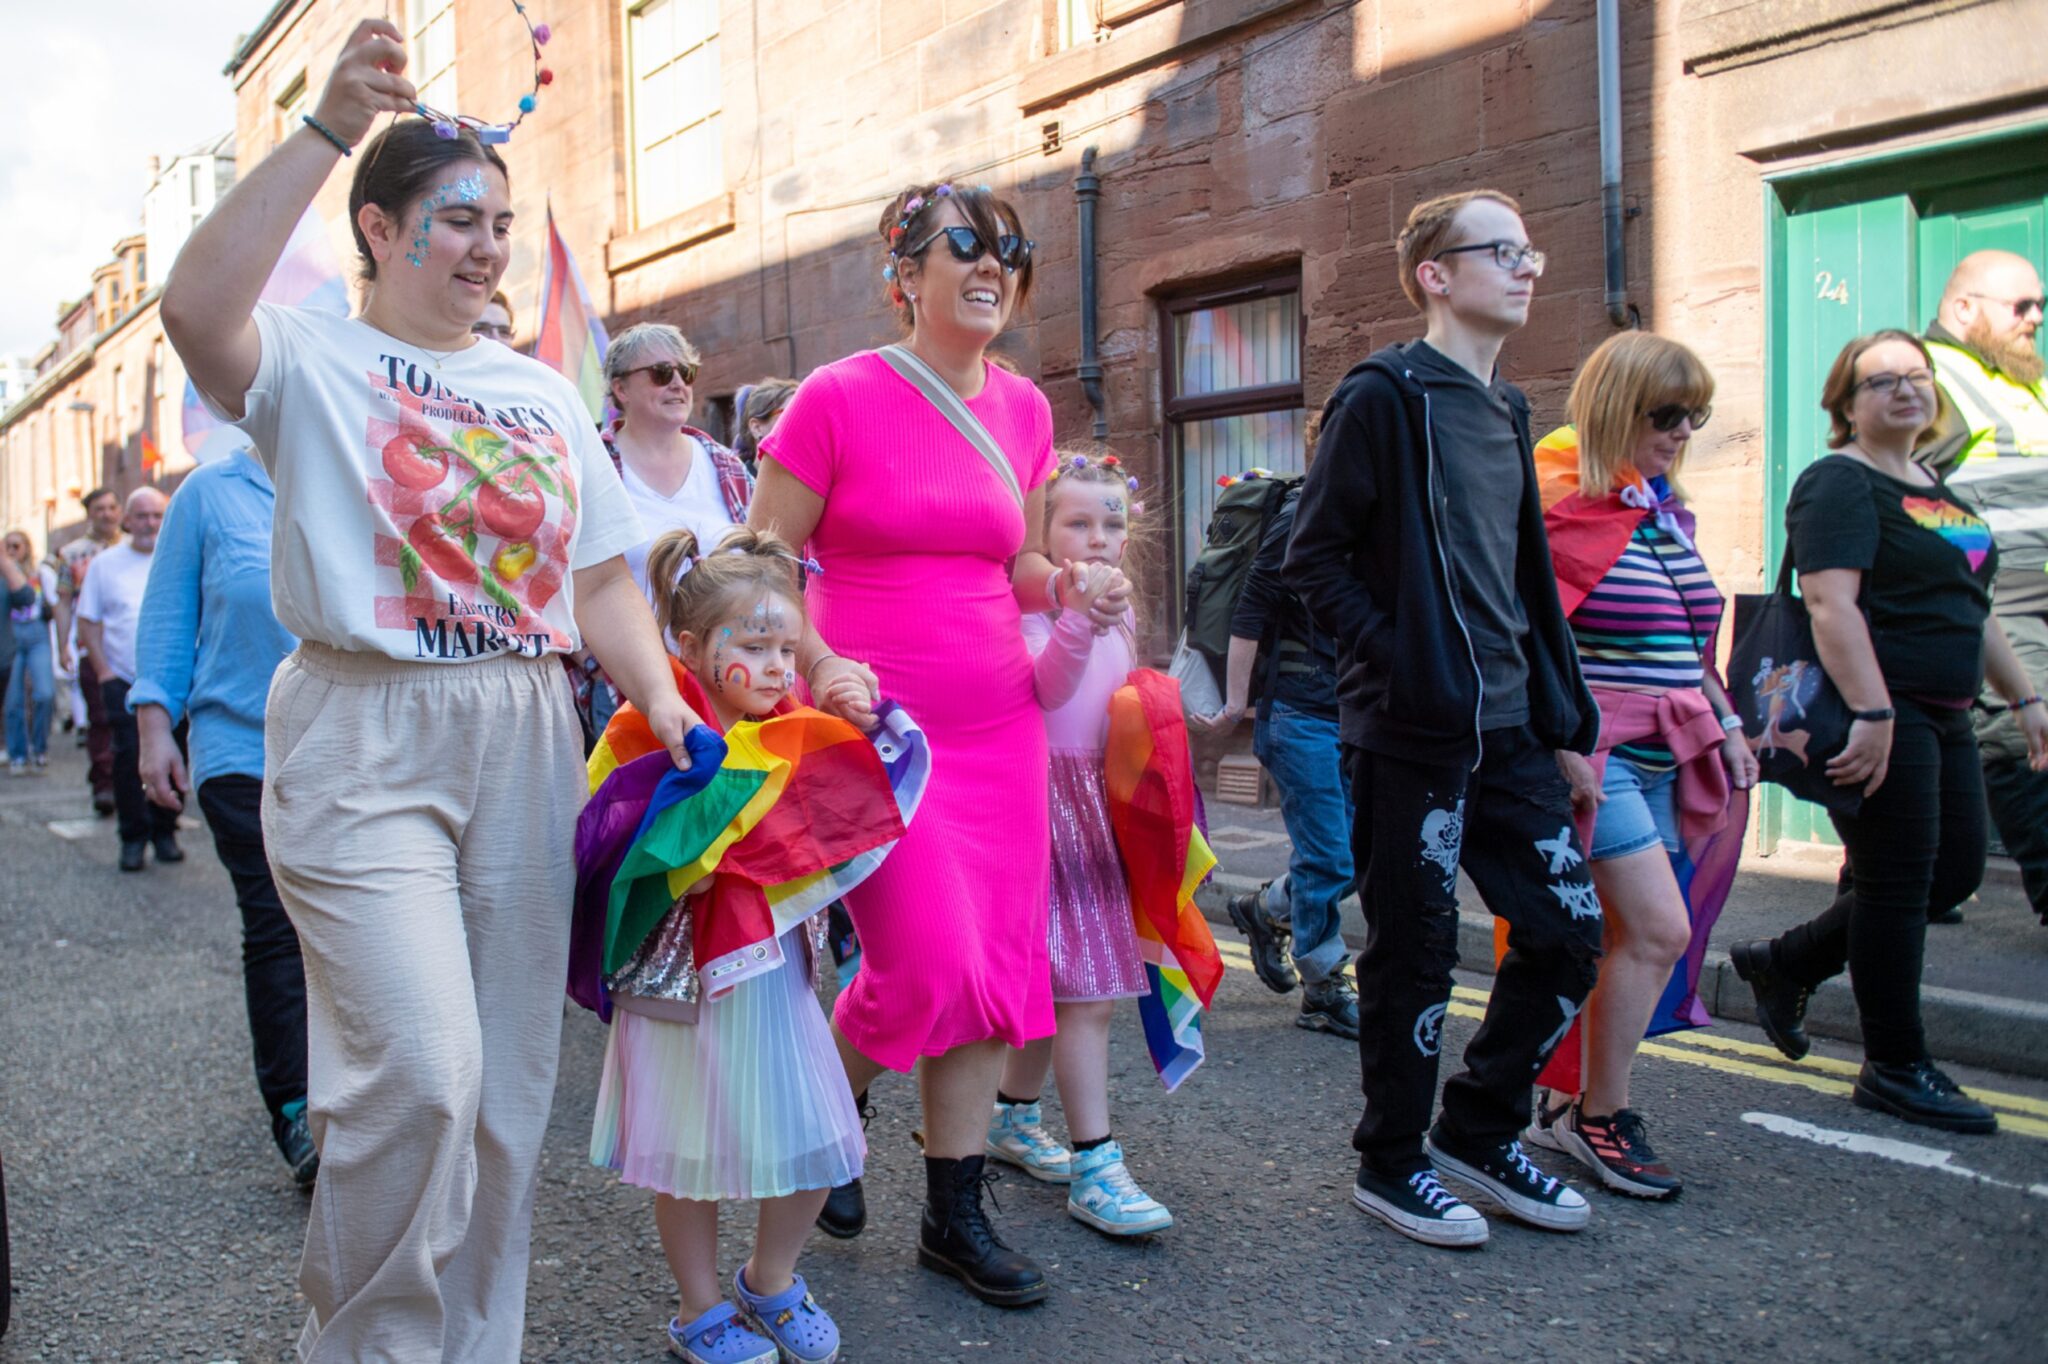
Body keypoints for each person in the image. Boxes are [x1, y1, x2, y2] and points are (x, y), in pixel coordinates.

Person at [159, 22, 702, 1359]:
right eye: (458, 218)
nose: (486, 247)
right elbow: (193, 310)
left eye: (501, 224)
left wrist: (668, 703)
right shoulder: (308, 360)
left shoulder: (544, 394)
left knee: (506, 1095)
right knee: (419, 1074)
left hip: (522, 729)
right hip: (361, 728)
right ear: (380, 227)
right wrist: (326, 126)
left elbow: (600, 578)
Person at [750, 176, 1125, 1306]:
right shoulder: (837, 396)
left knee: (994, 970)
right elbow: (760, 562)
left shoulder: (1023, 409)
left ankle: (951, 1213)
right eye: (963, 245)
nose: (991, 266)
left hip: (999, 727)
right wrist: (817, 664)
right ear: (904, 274)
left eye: (1008, 250)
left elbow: (1014, 560)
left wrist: (1067, 583)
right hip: (878, 731)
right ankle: (824, 1113)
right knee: (925, 965)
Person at [1284, 188, 1602, 1248]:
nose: (1526, 268)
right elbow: (1312, 559)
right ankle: (1391, 1161)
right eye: (1501, 251)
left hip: (1509, 729)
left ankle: (1476, 1128)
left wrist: (1560, 723)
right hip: (1411, 731)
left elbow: (1523, 581)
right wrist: (1404, 662)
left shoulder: (1508, 408)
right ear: (1435, 274)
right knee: (1416, 953)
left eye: (1531, 250)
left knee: (1566, 932)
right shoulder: (1384, 396)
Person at [1730, 330, 2048, 1135]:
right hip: (1884, 710)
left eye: (1917, 376)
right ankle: (1895, 1066)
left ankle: (1786, 962)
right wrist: (1873, 714)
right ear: (1845, 402)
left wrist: (2025, 699)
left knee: (1951, 872)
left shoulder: (1937, 491)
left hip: (1946, 714)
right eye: (1882, 381)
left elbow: (1972, 608)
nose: (1906, 390)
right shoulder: (1840, 481)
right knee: (1899, 884)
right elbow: (1831, 605)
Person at [590, 526, 859, 1364]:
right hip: (678, 984)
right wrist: (680, 862)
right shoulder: (644, 731)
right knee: (689, 1155)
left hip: (776, 976)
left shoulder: (800, 731)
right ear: (690, 647)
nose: (778, 667)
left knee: (815, 1133)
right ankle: (699, 1306)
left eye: (787, 648)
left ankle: (771, 1278)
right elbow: (607, 837)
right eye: (755, 647)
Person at [1519, 333, 1756, 1199]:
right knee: (1659, 931)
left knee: (1622, 940)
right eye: (1667, 414)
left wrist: (1728, 723)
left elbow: (1692, 645)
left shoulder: (1662, 512)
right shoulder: (1560, 508)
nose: (1684, 431)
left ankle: (1562, 1105)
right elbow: (1526, 640)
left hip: (1669, 752)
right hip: (1602, 756)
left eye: (1697, 414)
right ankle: (1600, 1117)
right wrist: (1560, 742)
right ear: (1617, 409)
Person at [984, 452, 1173, 1236]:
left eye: (1112, 523)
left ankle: (1012, 1115)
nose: (1099, 538)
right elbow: (1047, 688)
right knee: (1086, 993)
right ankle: (1096, 1163)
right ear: (1040, 533)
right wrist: (1077, 617)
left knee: (1059, 984)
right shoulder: (1028, 611)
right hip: (1042, 807)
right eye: (1078, 523)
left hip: (1096, 806)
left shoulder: (1121, 612)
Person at [128, 438, 314, 1188]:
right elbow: (168, 617)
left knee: (352, 924)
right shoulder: (208, 494)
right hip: (240, 747)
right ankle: (298, 1109)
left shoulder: (349, 466)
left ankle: (362, 1092)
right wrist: (154, 728)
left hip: (350, 749)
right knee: (276, 923)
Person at [1200, 417, 1360, 1039]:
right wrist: (1236, 703)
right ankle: (1323, 984)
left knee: (1351, 855)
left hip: (1352, 711)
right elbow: (1252, 606)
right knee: (1330, 854)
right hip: (1297, 712)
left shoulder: (1368, 514)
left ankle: (1264, 909)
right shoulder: (1300, 514)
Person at [1920, 250, 2048, 926]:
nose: (2035, 318)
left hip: (2037, 588)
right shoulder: (1926, 374)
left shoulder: (2026, 378)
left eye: (2041, 306)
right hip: (2003, 598)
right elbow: (1907, 492)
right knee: (2022, 737)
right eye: (2020, 306)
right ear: (1964, 307)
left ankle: (1911, 884)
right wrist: (1979, 561)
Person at [73, 487, 181, 872]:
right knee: (127, 759)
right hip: (123, 678)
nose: (149, 523)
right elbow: (88, 621)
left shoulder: (178, 559)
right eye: (142, 516)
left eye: (157, 516)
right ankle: (133, 838)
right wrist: (103, 671)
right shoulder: (105, 564)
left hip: (173, 681)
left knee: (175, 756)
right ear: (127, 521)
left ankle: (166, 832)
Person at [604, 323, 753, 601]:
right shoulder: (595, 467)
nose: (678, 384)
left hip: (727, 628)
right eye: (660, 373)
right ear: (621, 389)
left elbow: (761, 562)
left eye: (686, 373)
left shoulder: (726, 465)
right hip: (628, 631)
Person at [53, 486, 124, 814]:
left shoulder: (137, 545)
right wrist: (63, 646)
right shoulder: (72, 554)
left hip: (134, 645)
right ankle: (105, 784)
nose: (107, 514)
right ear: (89, 514)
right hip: (93, 649)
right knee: (101, 717)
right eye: (99, 509)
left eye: (111, 507)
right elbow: (63, 601)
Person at [5, 530, 58, 776]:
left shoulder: (40, 573)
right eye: (7, 546)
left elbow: (54, 604)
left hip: (37, 635)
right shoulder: (4, 574)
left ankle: (39, 748)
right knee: (13, 700)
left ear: (26, 547)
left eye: (16, 546)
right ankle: (18, 753)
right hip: (11, 635)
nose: (12, 551)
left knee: (45, 693)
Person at [733, 378, 797, 475]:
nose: (799, 425)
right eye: (788, 415)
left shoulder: (809, 481)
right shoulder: (736, 481)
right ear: (757, 428)